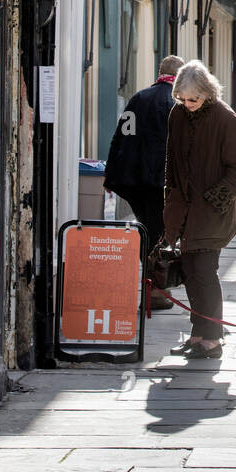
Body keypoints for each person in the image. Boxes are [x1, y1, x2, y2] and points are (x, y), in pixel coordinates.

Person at [163, 59, 236, 359]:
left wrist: (216, 199)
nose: (187, 104)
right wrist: (170, 198)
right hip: (183, 211)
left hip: (212, 214)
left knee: (204, 272)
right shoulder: (177, 114)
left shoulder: (225, 119)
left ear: (207, 93)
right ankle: (198, 334)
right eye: (182, 98)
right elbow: (171, 161)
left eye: (193, 99)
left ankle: (212, 340)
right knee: (189, 272)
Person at [104, 55, 184, 311]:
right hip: (166, 181)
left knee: (147, 229)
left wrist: (112, 173)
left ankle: (150, 285)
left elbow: (121, 137)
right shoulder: (180, 102)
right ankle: (158, 290)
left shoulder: (139, 98)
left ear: (160, 72)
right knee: (164, 233)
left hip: (138, 180)